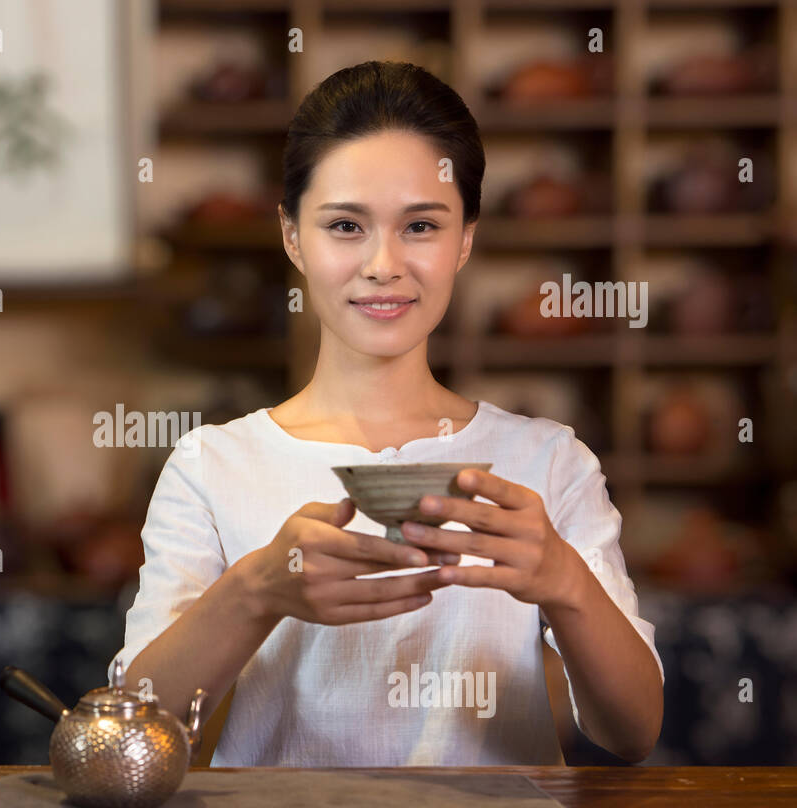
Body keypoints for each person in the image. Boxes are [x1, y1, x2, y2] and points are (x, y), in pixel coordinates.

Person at [111, 61, 663, 766]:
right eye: (345, 225)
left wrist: (563, 580)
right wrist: (257, 590)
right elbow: (134, 735)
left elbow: (633, 729)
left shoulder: (548, 461)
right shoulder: (210, 466)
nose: (383, 263)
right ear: (291, 237)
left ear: (464, 239)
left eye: (422, 226)